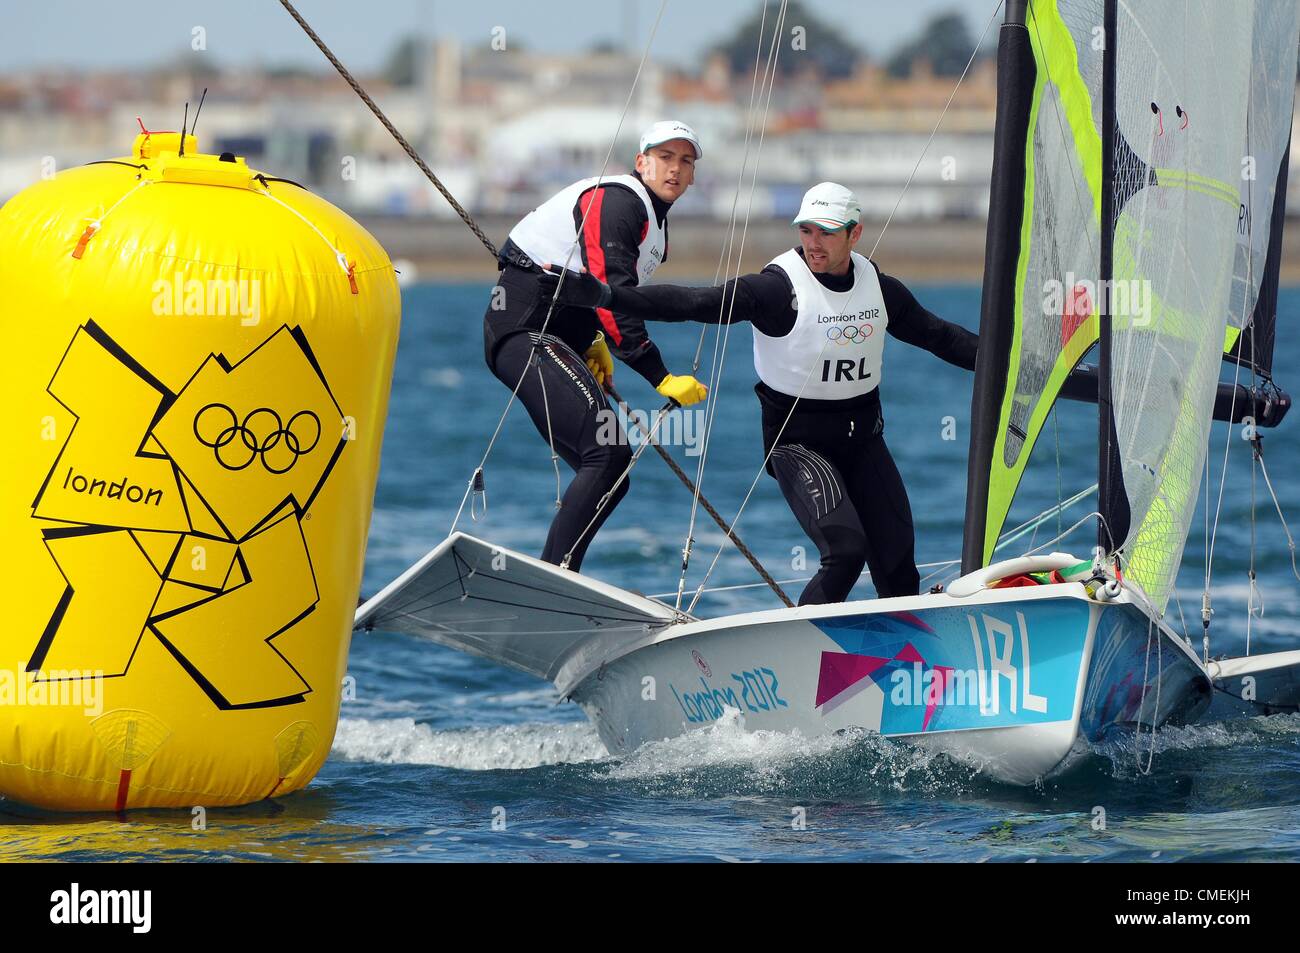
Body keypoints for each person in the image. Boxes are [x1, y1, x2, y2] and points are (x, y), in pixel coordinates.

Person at [540, 182, 978, 603]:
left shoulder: (879, 290)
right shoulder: (777, 289)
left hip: (864, 440)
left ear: (855, 233)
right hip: (798, 444)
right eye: (806, 230)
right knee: (845, 552)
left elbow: (943, 338)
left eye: (827, 232)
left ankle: (907, 662)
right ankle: (808, 656)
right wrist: (604, 295)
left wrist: (1029, 372)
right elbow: (695, 303)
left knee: (898, 561)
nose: (814, 242)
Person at [483, 121, 710, 571]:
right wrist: (659, 376)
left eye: (686, 161)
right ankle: (554, 576)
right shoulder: (618, 200)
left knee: (612, 471)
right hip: (524, 332)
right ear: (641, 162)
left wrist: (593, 340)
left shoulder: (653, 228)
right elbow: (613, 288)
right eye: (665, 158)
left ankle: (559, 574)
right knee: (607, 455)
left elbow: (595, 293)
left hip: (558, 337)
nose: (675, 169)